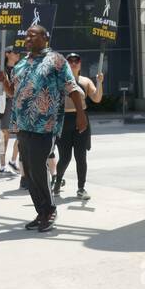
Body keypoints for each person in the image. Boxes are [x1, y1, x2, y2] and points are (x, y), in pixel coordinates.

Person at [10, 24, 85, 232]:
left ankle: (50, 209)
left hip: (45, 124)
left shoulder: (56, 60)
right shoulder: (21, 63)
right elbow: (14, 92)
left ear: (45, 37)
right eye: (26, 36)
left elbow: (71, 87)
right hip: (23, 124)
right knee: (29, 172)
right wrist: (4, 83)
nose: (28, 39)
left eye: (32, 35)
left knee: (38, 166)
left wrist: (81, 114)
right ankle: (41, 211)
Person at [53, 53, 103, 201]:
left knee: (81, 156)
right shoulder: (60, 80)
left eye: (77, 61)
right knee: (65, 157)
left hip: (81, 119)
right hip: (64, 120)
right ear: (66, 64)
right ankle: (57, 182)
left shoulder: (85, 81)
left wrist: (100, 82)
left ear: (80, 64)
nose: (74, 63)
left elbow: (97, 98)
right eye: (70, 61)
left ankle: (81, 188)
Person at [0, 47, 22, 174]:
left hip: (18, 103)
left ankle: (13, 161)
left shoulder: (20, 68)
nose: (18, 55)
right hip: (6, 103)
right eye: (15, 53)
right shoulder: (1, 70)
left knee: (21, 135)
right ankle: (2, 166)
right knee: (5, 135)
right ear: (7, 54)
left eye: (18, 53)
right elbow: (5, 90)